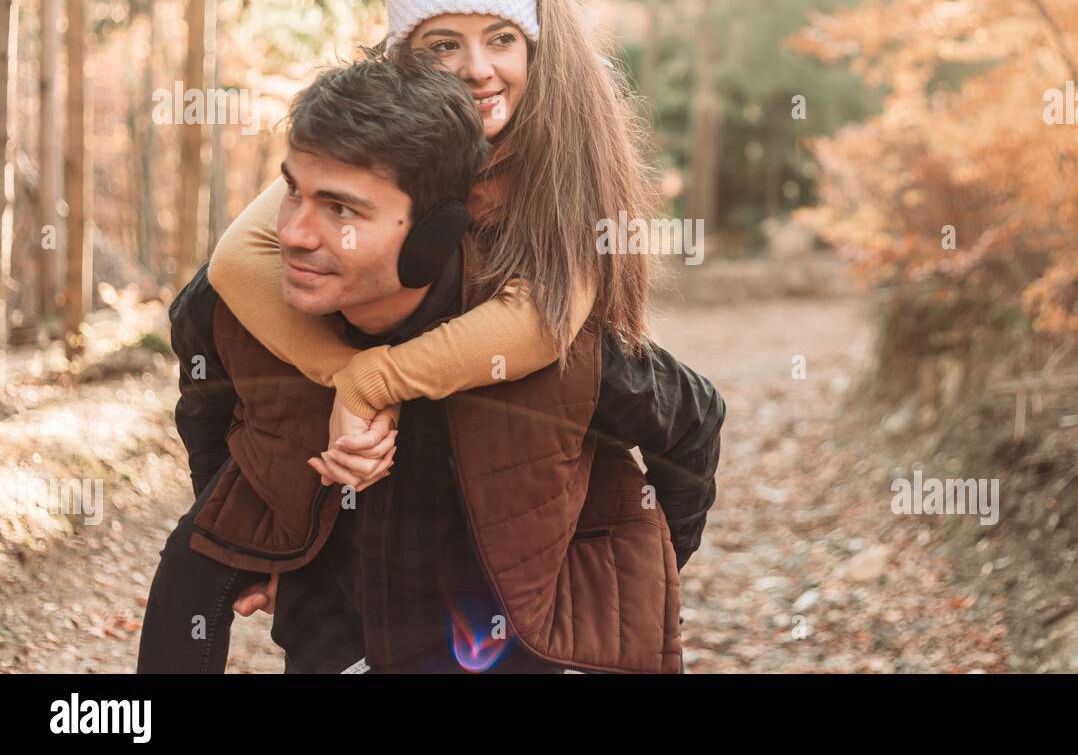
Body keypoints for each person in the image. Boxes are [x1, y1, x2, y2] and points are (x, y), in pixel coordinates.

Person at [137, 52, 725, 674]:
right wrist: (261, 544)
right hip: (334, 644)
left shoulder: (551, 342)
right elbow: (208, 402)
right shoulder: (232, 310)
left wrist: (624, 587)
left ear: (433, 235)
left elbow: (694, 423)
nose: (293, 235)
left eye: (341, 210)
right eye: (292, 192)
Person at [204, 0, 661, 613]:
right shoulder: (392, 137)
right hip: (378, 472)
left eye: (501, 39)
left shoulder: (566, 152)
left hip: (521, 464)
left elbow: (542, 317)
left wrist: (374, 382)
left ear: (532, 47)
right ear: (404, 61)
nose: (477, 68)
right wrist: (344, 375)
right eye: (444, 45)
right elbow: (240, 258)